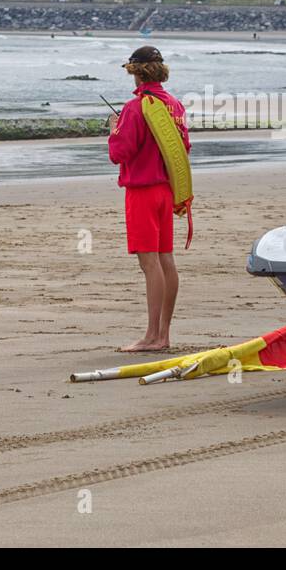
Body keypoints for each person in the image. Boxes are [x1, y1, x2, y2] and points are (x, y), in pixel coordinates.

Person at [108, 46, 191, 353]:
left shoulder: (135, 107)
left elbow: (120, 152)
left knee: (149, 262)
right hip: (167, 190)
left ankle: (151, 336)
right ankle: (164, 334)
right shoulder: (174, 105)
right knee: (165, 258)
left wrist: (113, 130)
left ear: (135, 72)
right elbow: (183, 148)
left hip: (142, 191)